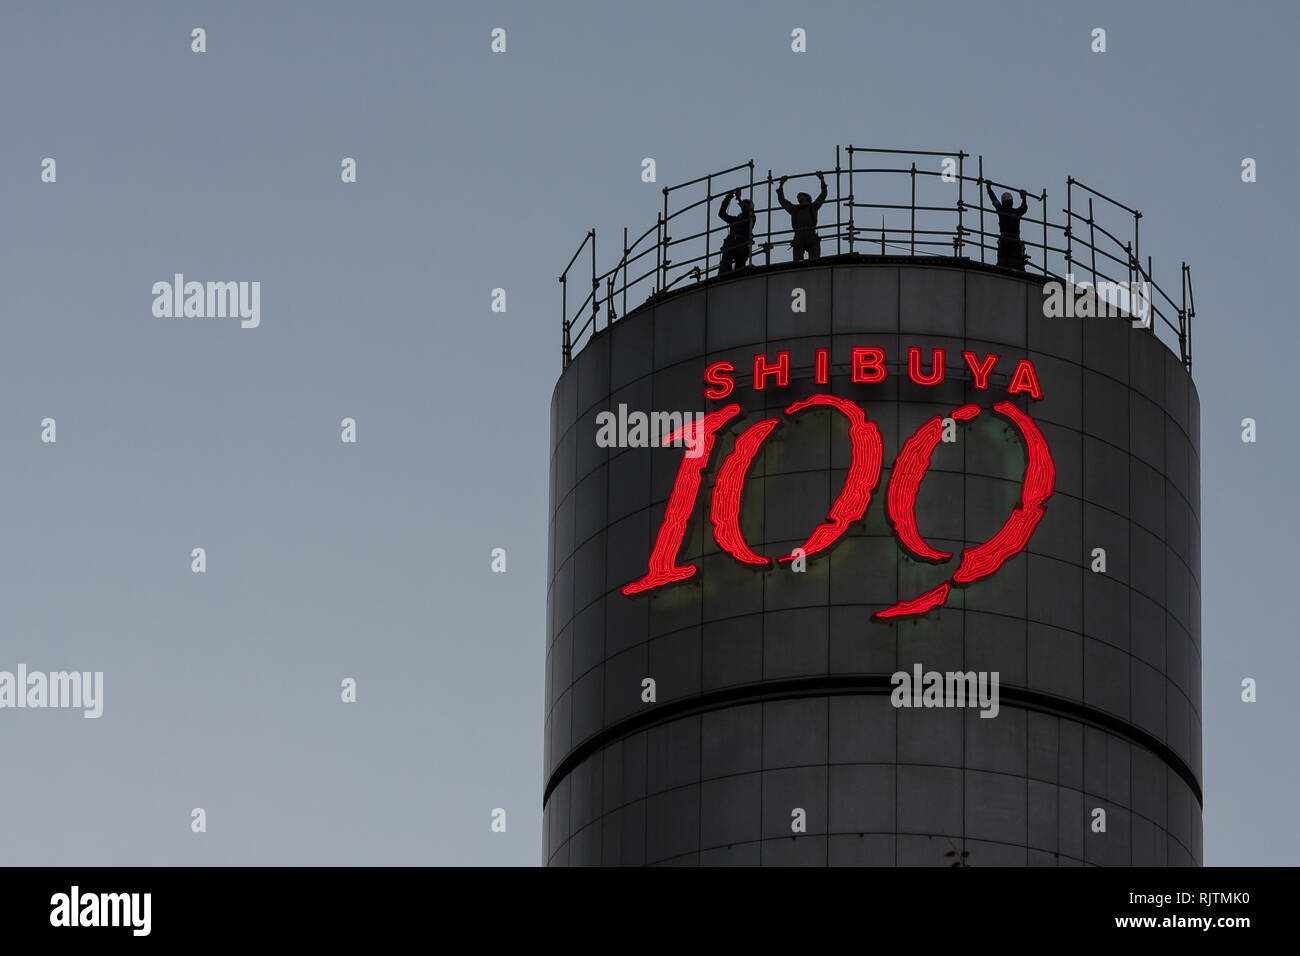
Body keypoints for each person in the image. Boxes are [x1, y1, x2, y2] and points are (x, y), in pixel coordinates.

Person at [777, 172, 828, 261]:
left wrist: (822, 180)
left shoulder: (812, 207)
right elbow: (782, 201)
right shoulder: (795, 209)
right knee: (797, 260)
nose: (797, 198)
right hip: (799, 234)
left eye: (800, 196)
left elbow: (823, 195)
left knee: (815, 260)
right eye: (797, 197)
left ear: (806, 197)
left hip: (810, 233)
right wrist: (781, 185)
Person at [986, 183, 1030, 270]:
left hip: (1005, 239)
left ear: (1003, 202)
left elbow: (994, 200)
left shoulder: (1001, 209)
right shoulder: (1016, 212)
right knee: (1016, 263)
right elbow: (1024, 208)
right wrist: (1024, 198)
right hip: (1015, 240)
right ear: (1012, 202)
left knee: (1002, 263)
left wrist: (989, 188)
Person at [717, 190, 756, 275]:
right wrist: (727, 199)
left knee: (740, 268)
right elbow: (722, 214)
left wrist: (739, 199)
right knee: (725, 268)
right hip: (731, 244)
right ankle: (723, 277)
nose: (742, 207)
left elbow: (747, 210)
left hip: (742, 245)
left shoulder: (751, 217)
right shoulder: (736, 219)